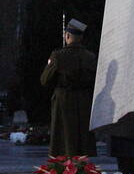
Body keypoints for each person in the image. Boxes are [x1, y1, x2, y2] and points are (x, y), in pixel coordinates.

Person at [41, 18, 98, 158]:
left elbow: (45, 80)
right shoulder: (90, 57)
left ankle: (64, 173)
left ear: (67, 36)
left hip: (64, 101)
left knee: (63, 140)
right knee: (82, 140)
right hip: (84, 101)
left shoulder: (58, 56)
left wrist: (50, 64)